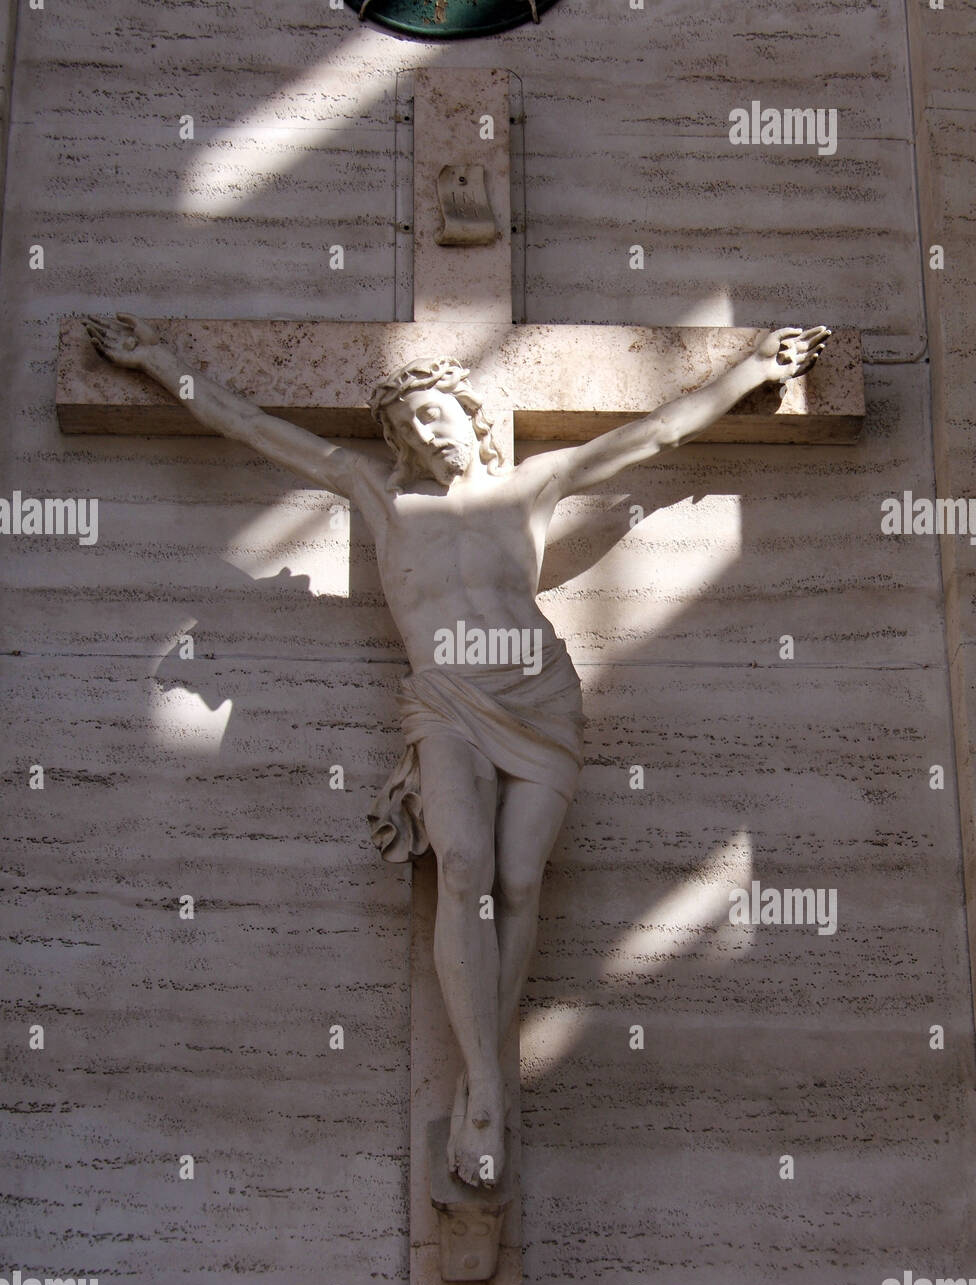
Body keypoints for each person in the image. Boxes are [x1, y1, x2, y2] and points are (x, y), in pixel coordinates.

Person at [84, 312, 830, 1188]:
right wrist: (158, 363)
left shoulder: (534, 488)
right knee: (464, 862)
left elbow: (657, 432)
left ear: (472, 417)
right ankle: (485, 1084)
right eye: (407, 425)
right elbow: (255, 428)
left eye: (435, 413)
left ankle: (489, 1067)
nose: (421, 432)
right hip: (446, 699)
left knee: (518, 881)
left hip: (540, 694)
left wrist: (750, 374)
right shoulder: (379, 494)